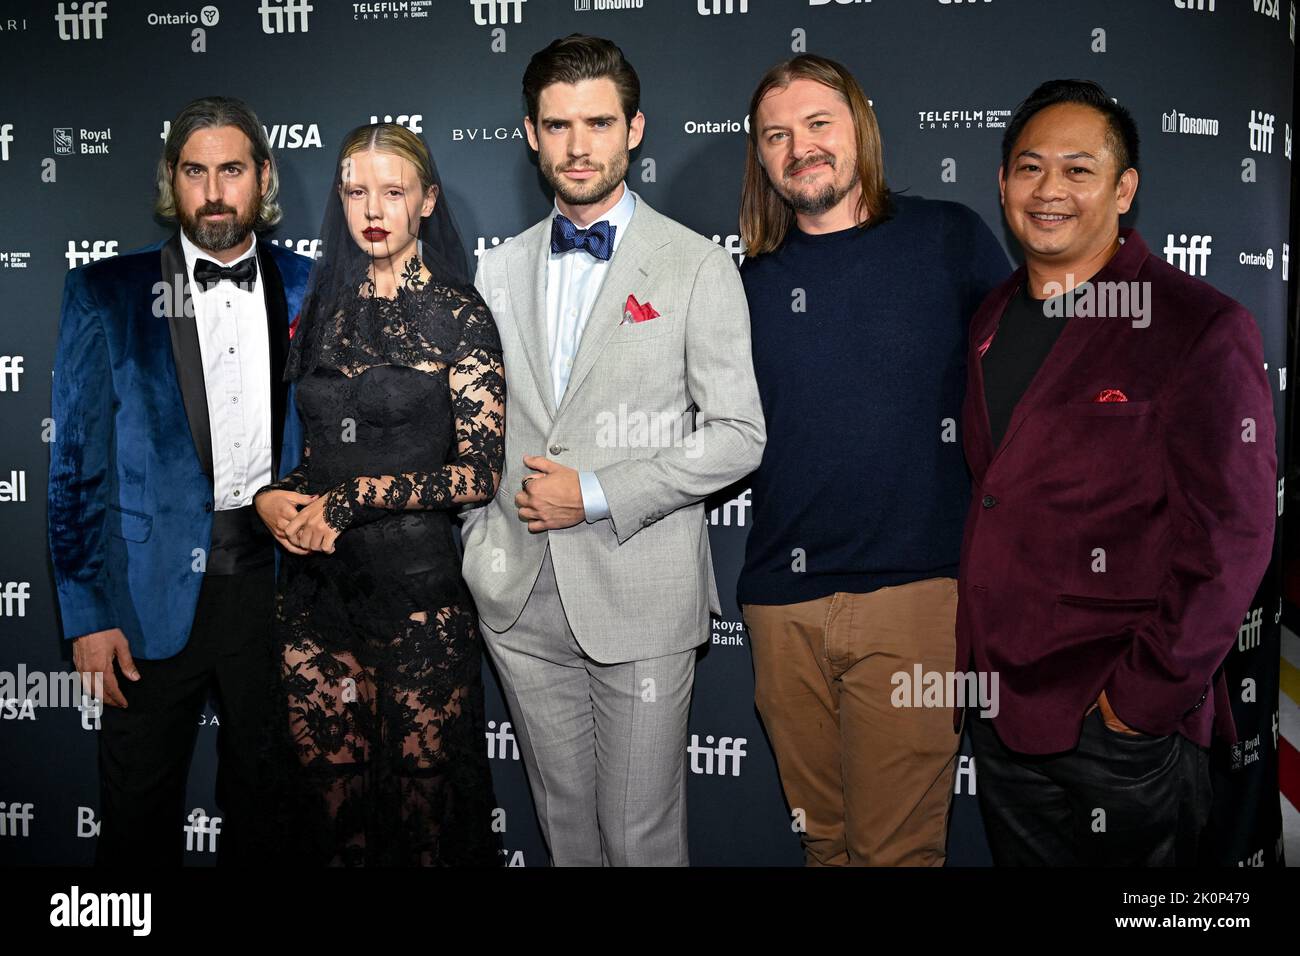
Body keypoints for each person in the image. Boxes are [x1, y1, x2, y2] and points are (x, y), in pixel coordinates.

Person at [462, 33, 766, 866]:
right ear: (530, 134)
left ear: (635, 129)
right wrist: (476, 545)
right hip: (519, 596)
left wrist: (594, 491)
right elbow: (475, 429)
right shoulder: (498, 271)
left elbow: (740, 435)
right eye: (557, 125)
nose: (578, 145)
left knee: (640, 839)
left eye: (598, 122)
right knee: (565, 833)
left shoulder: (695, 266)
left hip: (639, 592)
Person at [959, 79, 1276, 865]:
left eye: (1078, 170)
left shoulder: (1197, 325)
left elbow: (1233, 537)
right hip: (1001, 706)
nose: (1049, 191)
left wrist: (1140, 702)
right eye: (1030, 169)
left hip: (1122, 722)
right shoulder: (991, 318)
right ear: (1001, 184)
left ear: (1123, 187)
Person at [736, 54, 1009, 867]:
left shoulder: (947, 237)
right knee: (823, 845)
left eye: (819, 124)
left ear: (860, 127)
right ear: (759, 157)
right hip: (780, 605)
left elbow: (1031, 379)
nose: (801, 147)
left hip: (915, 595)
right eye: (777, 135)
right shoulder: (741, 286)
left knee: (896, 853)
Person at [48, 96, 311, 865]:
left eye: (232, 169)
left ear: (262, 178)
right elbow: (73, 468)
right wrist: (86, 613)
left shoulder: (311, 287)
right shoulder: (107, 292)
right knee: (135, 815)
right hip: (143, 595)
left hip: (275, 589)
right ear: (173, 181)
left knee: (269, 813)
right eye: (195, 172)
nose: (215, 191)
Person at [253, 123, 504, 866]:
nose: (373, 208)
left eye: (393, 192)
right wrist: (277, 497)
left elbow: (477, 473)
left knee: (422, 824)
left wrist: (358, 498)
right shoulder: (322, 316)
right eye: (357, 191)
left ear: (425, 201)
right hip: (315, 594)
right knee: (332, 822)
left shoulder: (460, 316)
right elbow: (320, 463)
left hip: (418, 599)